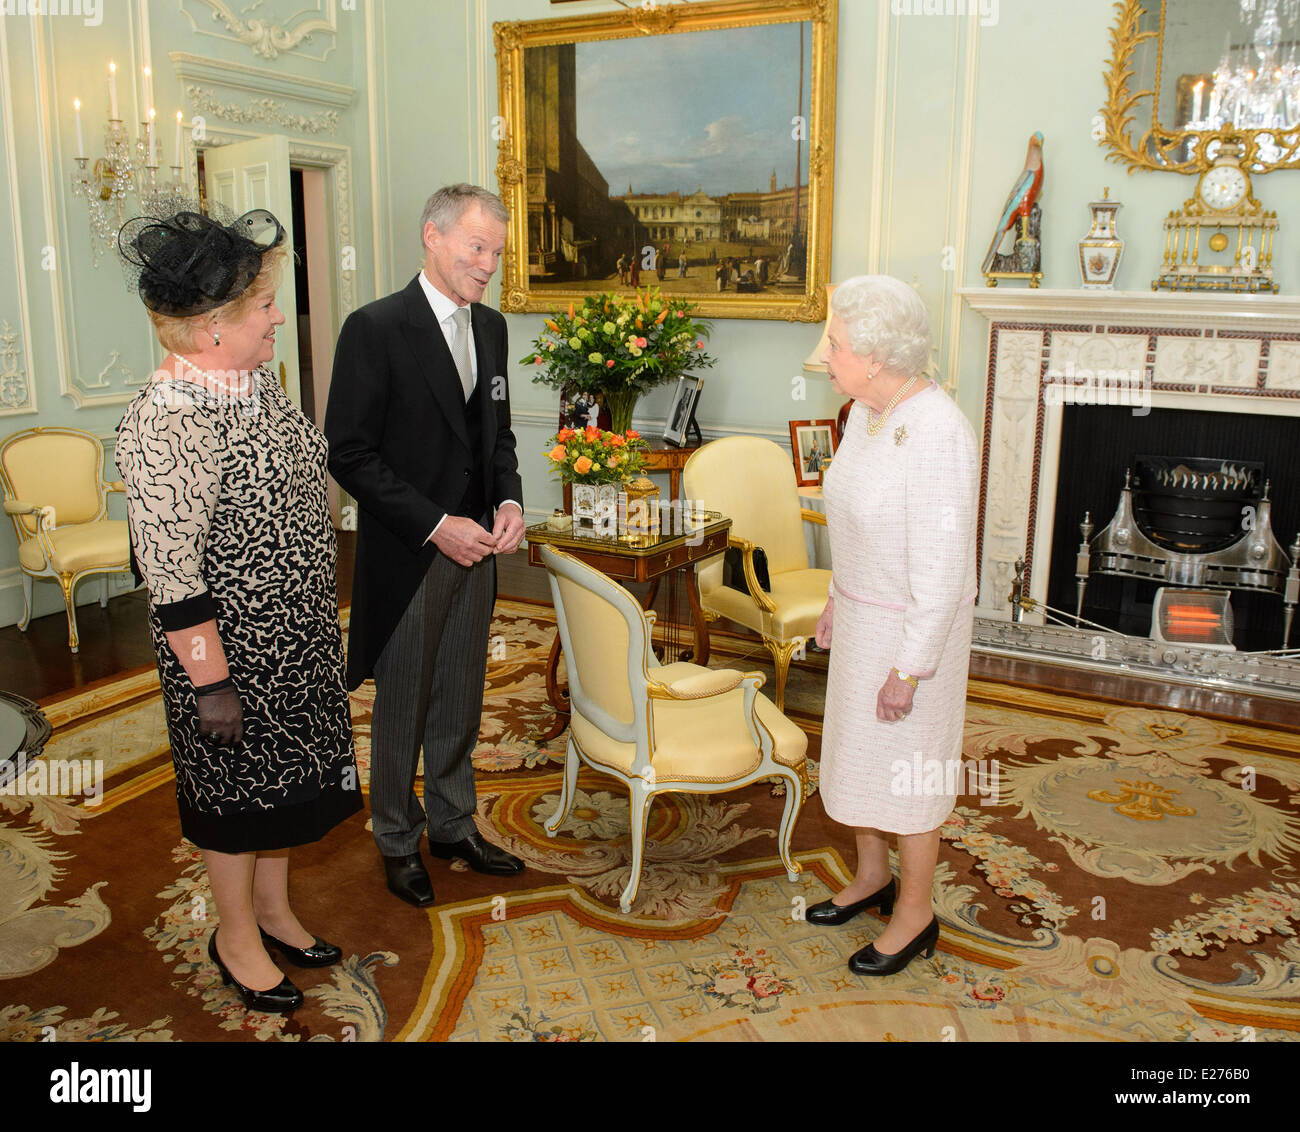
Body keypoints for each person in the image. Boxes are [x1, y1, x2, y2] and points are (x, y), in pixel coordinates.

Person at [114, 204, 361, 1014]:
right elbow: (171, 572)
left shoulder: (254, 386)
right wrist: (210, 683)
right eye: (262, 306)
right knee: (236, 799)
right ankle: (235, 936)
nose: (276, 317)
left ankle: (274, 909)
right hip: (229, 653)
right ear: (214, 326)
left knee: (287, 789)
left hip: (295, 636)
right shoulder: (166, 423)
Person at [325, 184, 526, 909]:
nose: (488, 265)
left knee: (461, 696)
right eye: (477, 248)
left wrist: (508, 500)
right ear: (432, 236)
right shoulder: (374, 328)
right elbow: (347, 453)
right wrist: (435, 522)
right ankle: (396, 838)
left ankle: (452, 824)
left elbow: (495, 436)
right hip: (412, 553)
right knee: (403, 703)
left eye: (496, 253)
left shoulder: (494, 328)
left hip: (479, 550)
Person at [808, 274, 978, 977]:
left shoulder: (938, 433)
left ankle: (915, 912)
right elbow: (850, 521)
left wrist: (910, 668)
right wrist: (834, 599)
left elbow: (942, 570)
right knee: (857, 759)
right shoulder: (865, 414)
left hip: (915, 635)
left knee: (910, 777)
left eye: (836, 343)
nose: (823, 355)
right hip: (862, 619)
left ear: (876, 356)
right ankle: (871, 876)